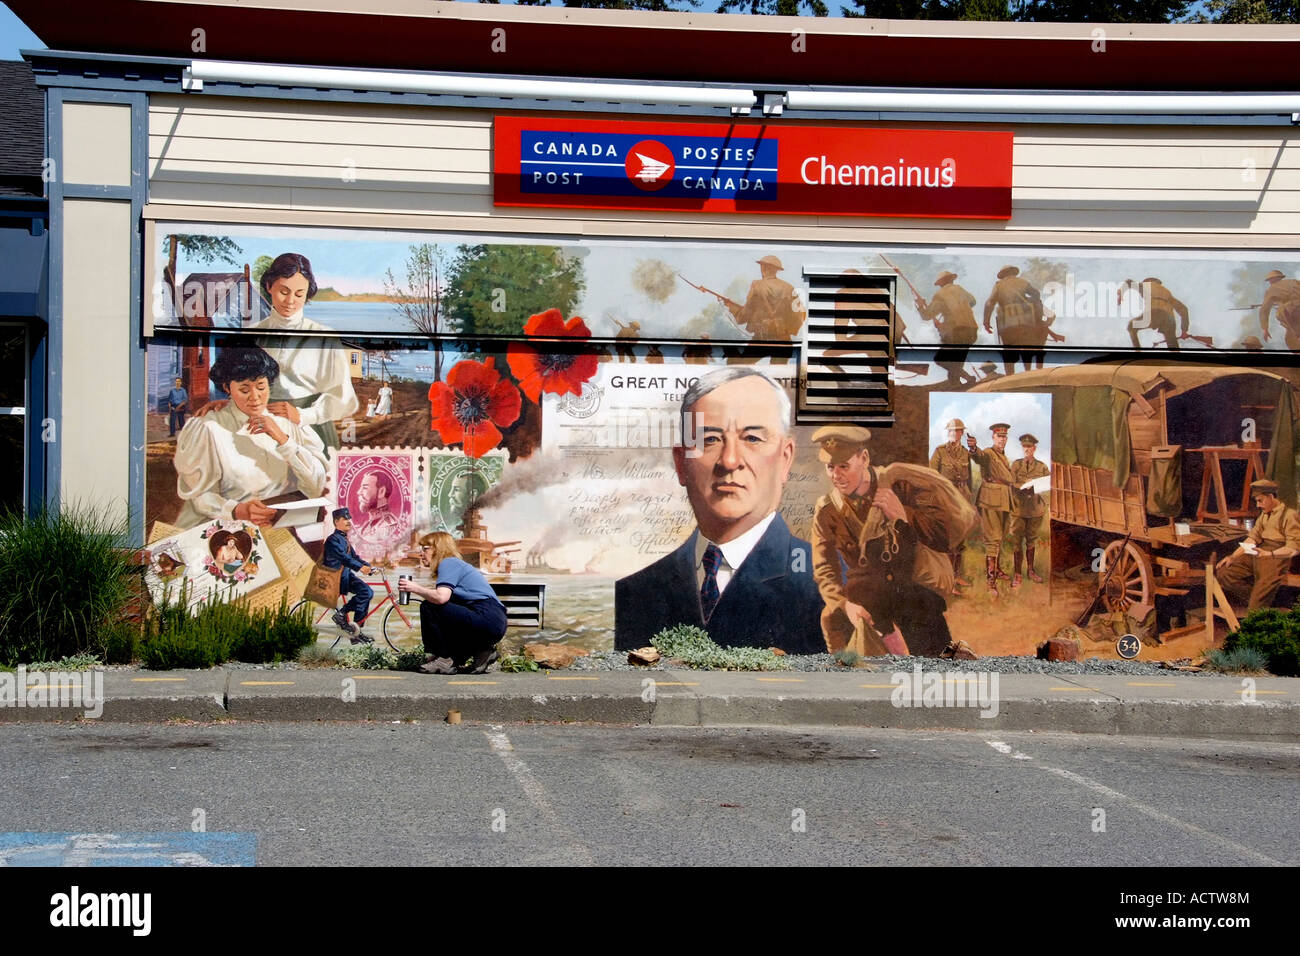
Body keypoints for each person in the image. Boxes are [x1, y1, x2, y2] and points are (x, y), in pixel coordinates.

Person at [614, 367, 824, 653]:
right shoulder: (637, 591)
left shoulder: (828, 585)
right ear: (681, 463)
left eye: (752, 438)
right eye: (709, 440)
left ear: (785, 459)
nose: (729, 460)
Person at [811, 426, 974, 658]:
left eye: (844, 466)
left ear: (864, 458)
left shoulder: (901, 485)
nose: (837, 475)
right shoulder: (827, 510)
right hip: (867, 599)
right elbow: (824, 568)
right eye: (831, 467)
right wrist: (844, 605)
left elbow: (941, 536)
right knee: (833, 621)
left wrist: (902, 518)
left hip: (913, 591)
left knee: (933, 661)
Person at [173, 345, 329, 530]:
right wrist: (239, 510)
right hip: (230, 527)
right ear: (227, 388)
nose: (255, 397)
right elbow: (199, 496)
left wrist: (283, 439)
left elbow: (316, 486)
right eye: (244, 390)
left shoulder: (287, 421)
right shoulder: (209, 428)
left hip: (283, 525)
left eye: (261, 387)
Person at [246, 252, 360, 449]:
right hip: (260, 427)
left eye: (299, 294)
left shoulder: (324, 337)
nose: (291, 300)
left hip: (311, 430)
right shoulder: (250, 335)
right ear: (269, 286)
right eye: (284, 291)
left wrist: (303, 415)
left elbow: (345, 398)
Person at [399, 531, 507, 675]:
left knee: (429, 607)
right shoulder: (455, 564)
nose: (421, 554)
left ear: (438, 549)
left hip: (486, 616)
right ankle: (483, 651)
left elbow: (441, 598)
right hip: (494, 621)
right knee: (444, 610)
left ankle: (444, 659)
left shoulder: (448, 562)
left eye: (425, 549)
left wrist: (415, 588)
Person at [1214, 479, 1300, 613]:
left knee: (1256, 603)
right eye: (1256, 501)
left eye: (1260, 500)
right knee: (1224, 573)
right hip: (1259, 552)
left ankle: (1258, 604)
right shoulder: (1264, 515)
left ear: (1271, 497)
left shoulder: (1290, 515)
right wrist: (1232, 557)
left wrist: (1269, 554)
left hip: (1276, 557)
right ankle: (1263, 604)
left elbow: (1293, 549)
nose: (1258, 505)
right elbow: (1252, 538)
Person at [967, 422, 1016, 597]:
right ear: (993, 437)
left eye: (1004, 437)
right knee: (992, 539)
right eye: (999, 437)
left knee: (1000, 536)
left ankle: (997, 570)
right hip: (990, 499)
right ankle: (990, 582)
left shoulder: (1003, 456)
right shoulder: (988, 453)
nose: (1002, 440)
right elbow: (978, 456)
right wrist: (973, 448)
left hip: (1003, 499)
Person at [724, 255, 806, 359]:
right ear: (776, 270)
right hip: (784, 341)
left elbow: (744, 316)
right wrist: (788, 330)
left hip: (761, 340)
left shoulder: (757, 285)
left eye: (762, 266)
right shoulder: (788, 287)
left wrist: (731, 307)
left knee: (742, 367)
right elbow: (801, 314)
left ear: (765, 268)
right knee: (781, 373)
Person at [929, 417, 974, 593]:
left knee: (960, 537)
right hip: (946, 498)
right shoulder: (939, 451)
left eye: (956, 431)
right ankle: (948, 581)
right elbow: (932, 476)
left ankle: (957, 576)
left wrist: (969, 500)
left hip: (962, 498)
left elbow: (969, 477)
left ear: (962, 433)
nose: (953, 434)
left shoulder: (965, 453)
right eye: (950, 431)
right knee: (948, 538)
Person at [322, 507, 376, 643]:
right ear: (336, 521)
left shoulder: (343, 539)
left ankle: (356, 632)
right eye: (345, 519)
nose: (349, 521)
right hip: (334, 578)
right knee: (365, 593)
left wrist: (368, 567)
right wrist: (360, 568)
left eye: (349, 518)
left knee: (366, 592)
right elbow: (344, 558)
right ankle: (341, 613)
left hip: (344, 576)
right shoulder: (332, 540)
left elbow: (354, 557)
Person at [915, 271, 978, 387]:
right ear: (951, 280)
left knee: (941, 359)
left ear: (940, 283)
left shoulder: (940, 294)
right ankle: (957, 383)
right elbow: (973, 302)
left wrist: (920, 305)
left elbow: (927, 315)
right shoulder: (960, 289)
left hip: (955, 331)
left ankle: (968, 377)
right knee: (958, 362)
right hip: (971, 330)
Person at [983, 265, 1044, 376]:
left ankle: (1009, 376)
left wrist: (986, 321)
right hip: (1027, 321)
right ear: (1013, 272)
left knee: (1008, 353)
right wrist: (1026, 302)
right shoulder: (1022, 282)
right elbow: (1036, 294)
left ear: (1003, 275)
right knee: (1027, 349)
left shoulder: (999, 285)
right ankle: (1029, 374)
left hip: (1007, 324)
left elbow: (989, 303)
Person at [1008, 433, 1051, 589]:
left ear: (1034, 448)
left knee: (1032, 540)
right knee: (1017, 541)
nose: (1027, 449)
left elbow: (1048, 483)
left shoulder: (1041, 467)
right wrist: (1023, 484)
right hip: (1019, 509)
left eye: (1029, 447)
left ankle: (1031, 571)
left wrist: (1036, 489)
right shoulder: (1016, 465)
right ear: (1022, 448)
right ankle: (1018, 574)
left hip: (1035, 509)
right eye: (1024, 447)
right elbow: (1011, 483)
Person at [1133, 277, 1190, 351]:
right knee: (1172, 344)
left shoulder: (1146, 285)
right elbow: (1184, 309)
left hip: (1155, 314)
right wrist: (1184, 331)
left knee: (1132, 328)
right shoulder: (1167, 293)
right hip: (1169, 320)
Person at [353, 470, 403, 554]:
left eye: (364, 488)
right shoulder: (364, 527)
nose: (359, 492)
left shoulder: (391, 526)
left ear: (381, 492)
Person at [1259, 269, 1300, 350]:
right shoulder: (1294, 281)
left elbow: (1264, 310)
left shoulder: (1271, 289)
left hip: (1291, 312)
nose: (1269, 282)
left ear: (1272, 279)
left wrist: (1265, 328)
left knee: (1291, 338)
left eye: (1270, 280)